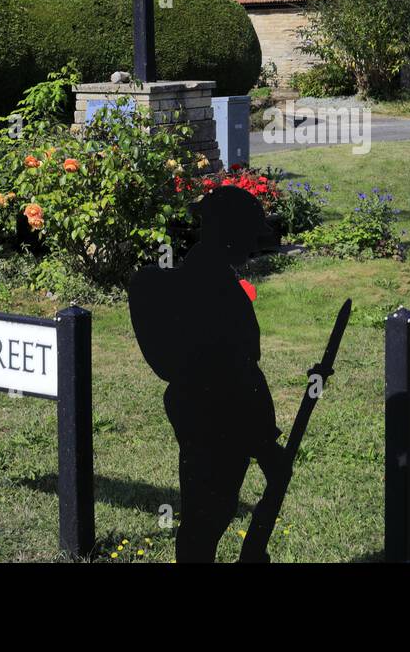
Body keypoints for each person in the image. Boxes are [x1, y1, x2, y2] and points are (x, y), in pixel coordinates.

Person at [129, 186, 289, 562]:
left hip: (199, 413)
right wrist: (265, 446)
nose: (253, 245)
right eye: (250, 234)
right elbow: (239, 373)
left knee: (207, 513)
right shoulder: (218, 291)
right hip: (221, 417)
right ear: (230, 234)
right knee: (208, 516)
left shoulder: (202, 280)